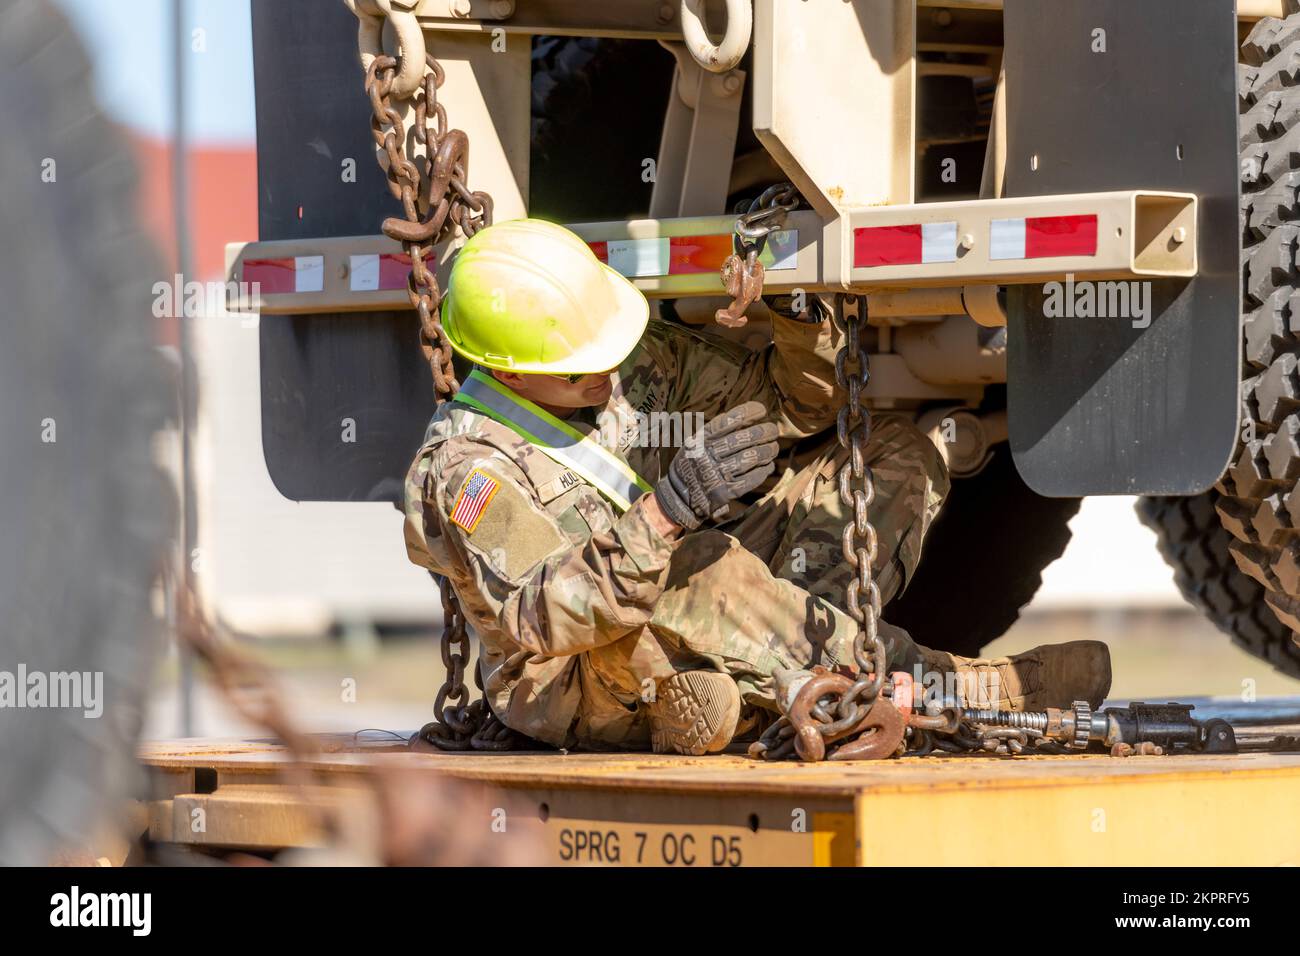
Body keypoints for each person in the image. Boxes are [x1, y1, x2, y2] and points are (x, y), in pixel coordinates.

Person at [403, 218, 1111, 755]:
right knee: (699, 567)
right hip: (576, 672)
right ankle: (933, 685)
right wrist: (665, 512)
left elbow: (793, 408)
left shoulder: (622, 363)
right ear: (508, 373)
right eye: (578, 368)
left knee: (888, 458)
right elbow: (541, 620)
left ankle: (772, 694)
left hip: (689, 595)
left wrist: (796, 314)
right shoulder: (468, 471)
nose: (604, 374)